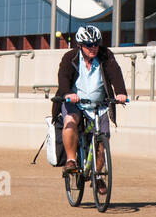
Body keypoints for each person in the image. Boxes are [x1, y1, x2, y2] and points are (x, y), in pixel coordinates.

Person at [51, 25, 127, 193]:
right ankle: (71, 160)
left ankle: (97, 176)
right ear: (80, 45)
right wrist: (68, 93)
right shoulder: (70, 57)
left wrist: (121, 93)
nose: (93, 48)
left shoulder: (105, 55)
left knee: (102, 138)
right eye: (88, 44)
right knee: (70, 122)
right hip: (75, 102)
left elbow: (116, 73)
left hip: (99, 105)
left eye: (95, 44)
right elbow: (63, 78)